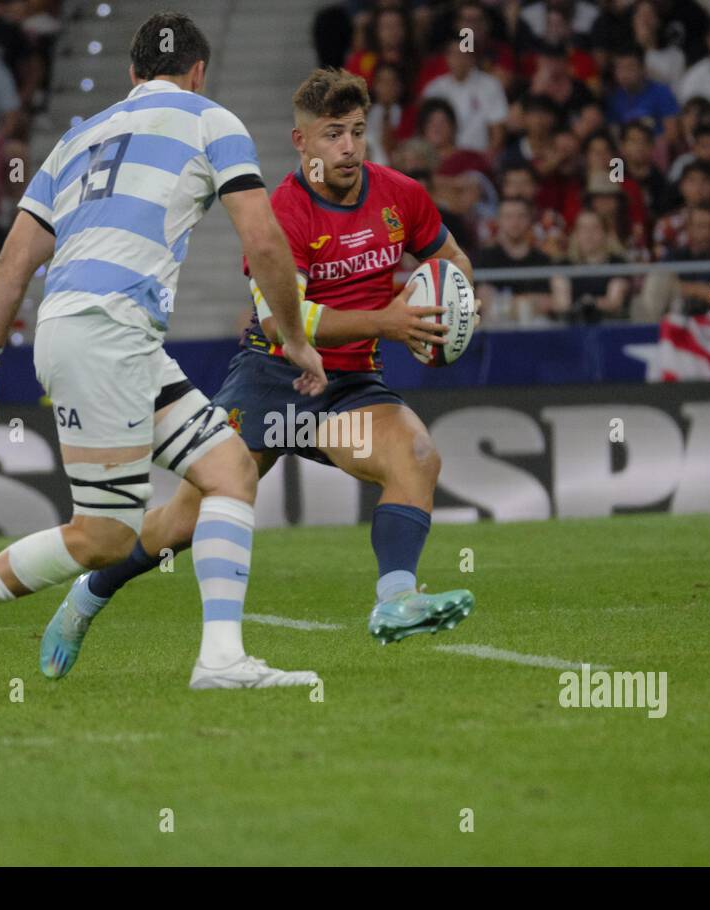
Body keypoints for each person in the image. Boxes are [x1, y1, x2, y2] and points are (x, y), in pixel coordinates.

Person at [0, 12, 326, 699]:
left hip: (90, 327)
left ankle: (222, 659)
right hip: (106, 331)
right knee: (104, 536)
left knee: (231, 468)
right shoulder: (212, 119)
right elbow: (263, 243)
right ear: (199, 72)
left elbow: (14, 259)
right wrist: (294, 338)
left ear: (132, 74)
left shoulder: (77, 137)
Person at [37, 66, 477, 678]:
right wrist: (389, 321)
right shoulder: (283, 216)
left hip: (347, 392)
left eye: (356, 131)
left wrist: (456, 308)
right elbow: (284, 325)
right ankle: (88, 596)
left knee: (419, 455)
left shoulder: (402, 195)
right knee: (181, 523)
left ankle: (396, 599)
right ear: (302, 143)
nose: (348, 147)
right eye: (332, 135)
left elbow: (451, 260)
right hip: (272, 385)